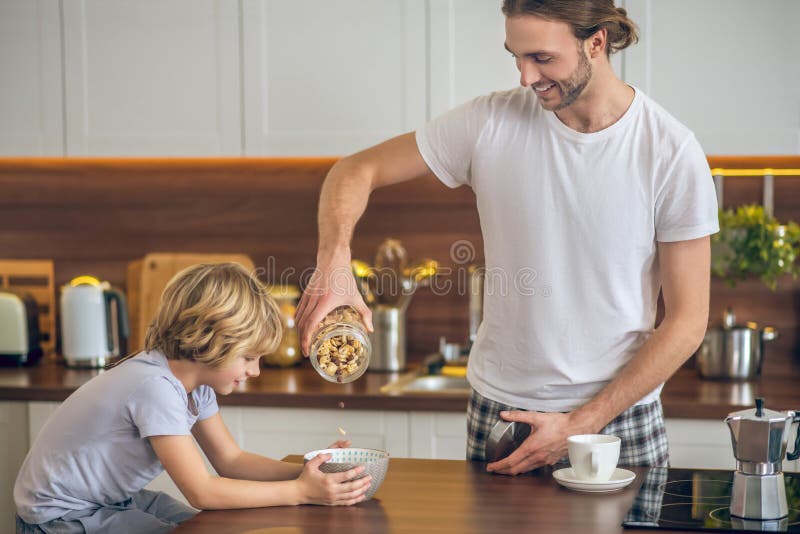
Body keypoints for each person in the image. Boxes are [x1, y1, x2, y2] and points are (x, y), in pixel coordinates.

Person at [296, 0, 718, 475]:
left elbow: (687, 321)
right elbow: (355, 169)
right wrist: (333, 260)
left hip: (617, 419)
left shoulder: (669, 150)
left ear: (596, 42)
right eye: (516, 57)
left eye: (542, 58)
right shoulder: (489, 122)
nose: (526, 77)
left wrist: (581, 422)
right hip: (501, 413)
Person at [15, 263, 371, 534]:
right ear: (210, 340)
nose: (256, 371)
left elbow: (231, 460)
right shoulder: (155, 387)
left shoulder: (194, 385)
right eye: (248, 358)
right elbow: (202, 492)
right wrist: (302, 493)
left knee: (210, 527)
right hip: (62, 518)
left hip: (106, 502)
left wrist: (309, 472)